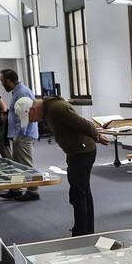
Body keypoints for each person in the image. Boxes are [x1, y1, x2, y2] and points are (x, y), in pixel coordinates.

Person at [27, 97, 99, 236]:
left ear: (33, 109)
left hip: (82, 152)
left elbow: (84, 124)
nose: (34, 122)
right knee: (82, 191)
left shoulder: (56, 109)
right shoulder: (50, 109)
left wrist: (97, 136)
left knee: (79, 194)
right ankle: (86, 230)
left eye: (33, 119)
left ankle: (81, 233)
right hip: (76, 151)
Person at [0, 69, 39, 201]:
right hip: (18, 134)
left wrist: (20, 135)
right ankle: (15, 189)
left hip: (23, 134)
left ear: (9, 81)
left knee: (26, 164)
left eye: (2, 81)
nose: (1, 83)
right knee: (16, 165)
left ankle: (33, 191)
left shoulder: (22, 92)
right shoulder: (17, 91)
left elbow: (28, 115)